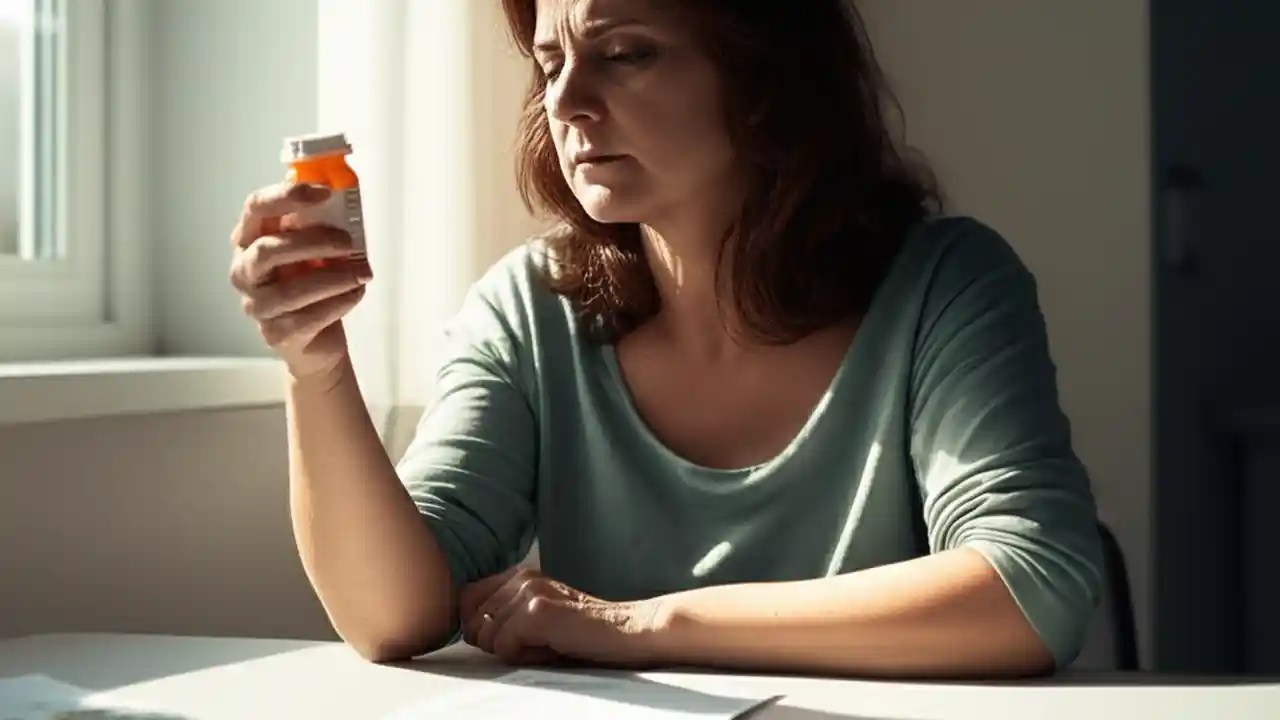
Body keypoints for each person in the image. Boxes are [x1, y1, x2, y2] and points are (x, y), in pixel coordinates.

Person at [227, 0, 1104, 678]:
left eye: (625, 53)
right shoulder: (528, 309)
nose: (565, 103)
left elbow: (1032, 593)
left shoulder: (944, 287)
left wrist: (641, 625)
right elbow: (391, 615)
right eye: (549, 62)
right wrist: (316, 364)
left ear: (765, 76)